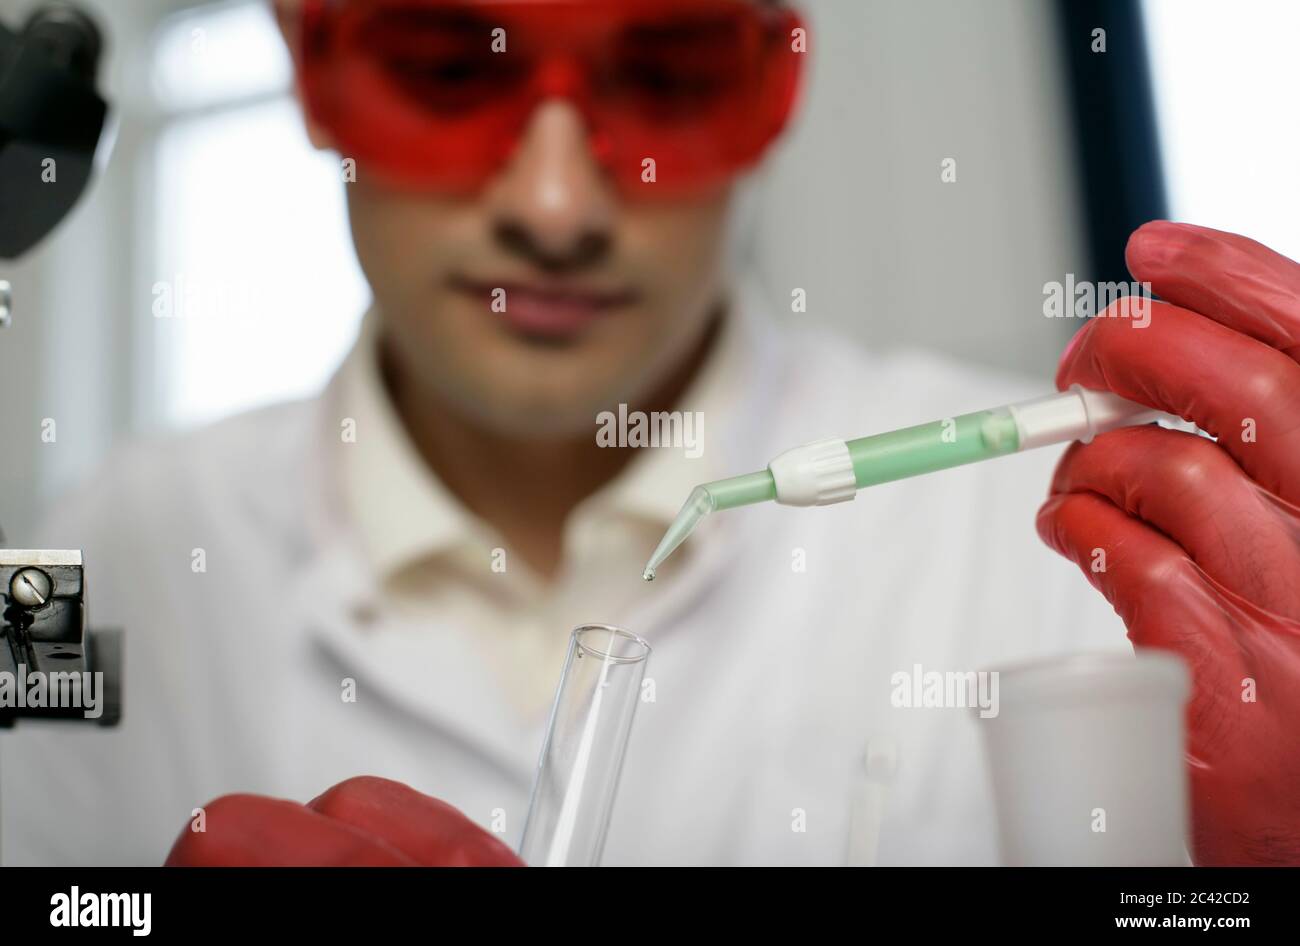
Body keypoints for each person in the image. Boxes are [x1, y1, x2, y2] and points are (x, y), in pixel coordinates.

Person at [3, 0, 1298, 867]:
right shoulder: (76, 562)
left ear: (776, 81)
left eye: (665, 76)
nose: (558, 205)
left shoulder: (1063, 550)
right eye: (450, 68)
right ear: (310, 64)